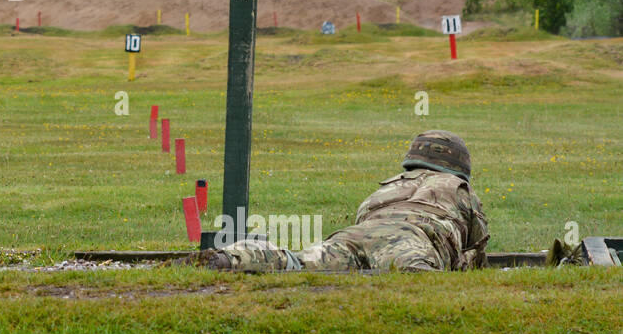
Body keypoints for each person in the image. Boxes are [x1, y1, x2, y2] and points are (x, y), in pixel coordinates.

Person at [199, 130, 488, 273]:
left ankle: (232, 257)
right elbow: (477, 246)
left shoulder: (390, 185)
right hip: (412, 240)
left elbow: (364, 215)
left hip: (356, 235)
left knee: (299, 263)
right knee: (415, 279)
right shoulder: (459, 188)